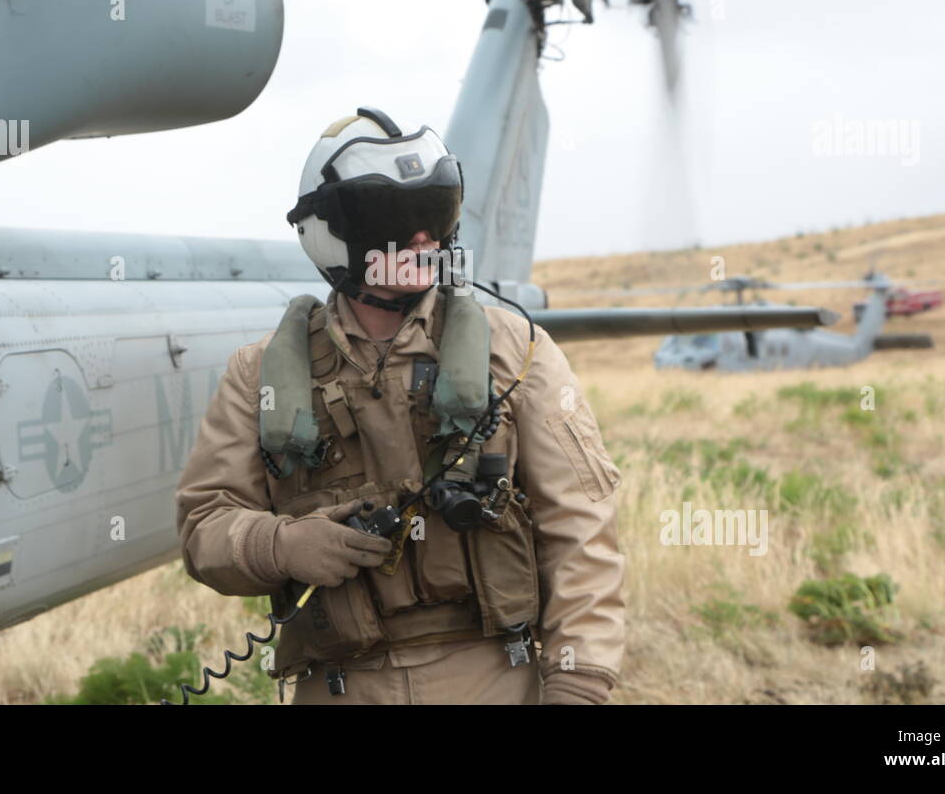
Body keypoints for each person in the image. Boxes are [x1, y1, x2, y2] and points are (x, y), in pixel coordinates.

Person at [175, 107, 625, 704]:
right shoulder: (257, 375)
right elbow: (205, 528)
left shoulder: (515, 351)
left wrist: (578, 682)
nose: (422, 239)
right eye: (395, 218)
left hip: (493, 678)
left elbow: (580, 527)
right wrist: (280, 546)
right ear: (332, 232)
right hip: (341, 686)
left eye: (435, 213)